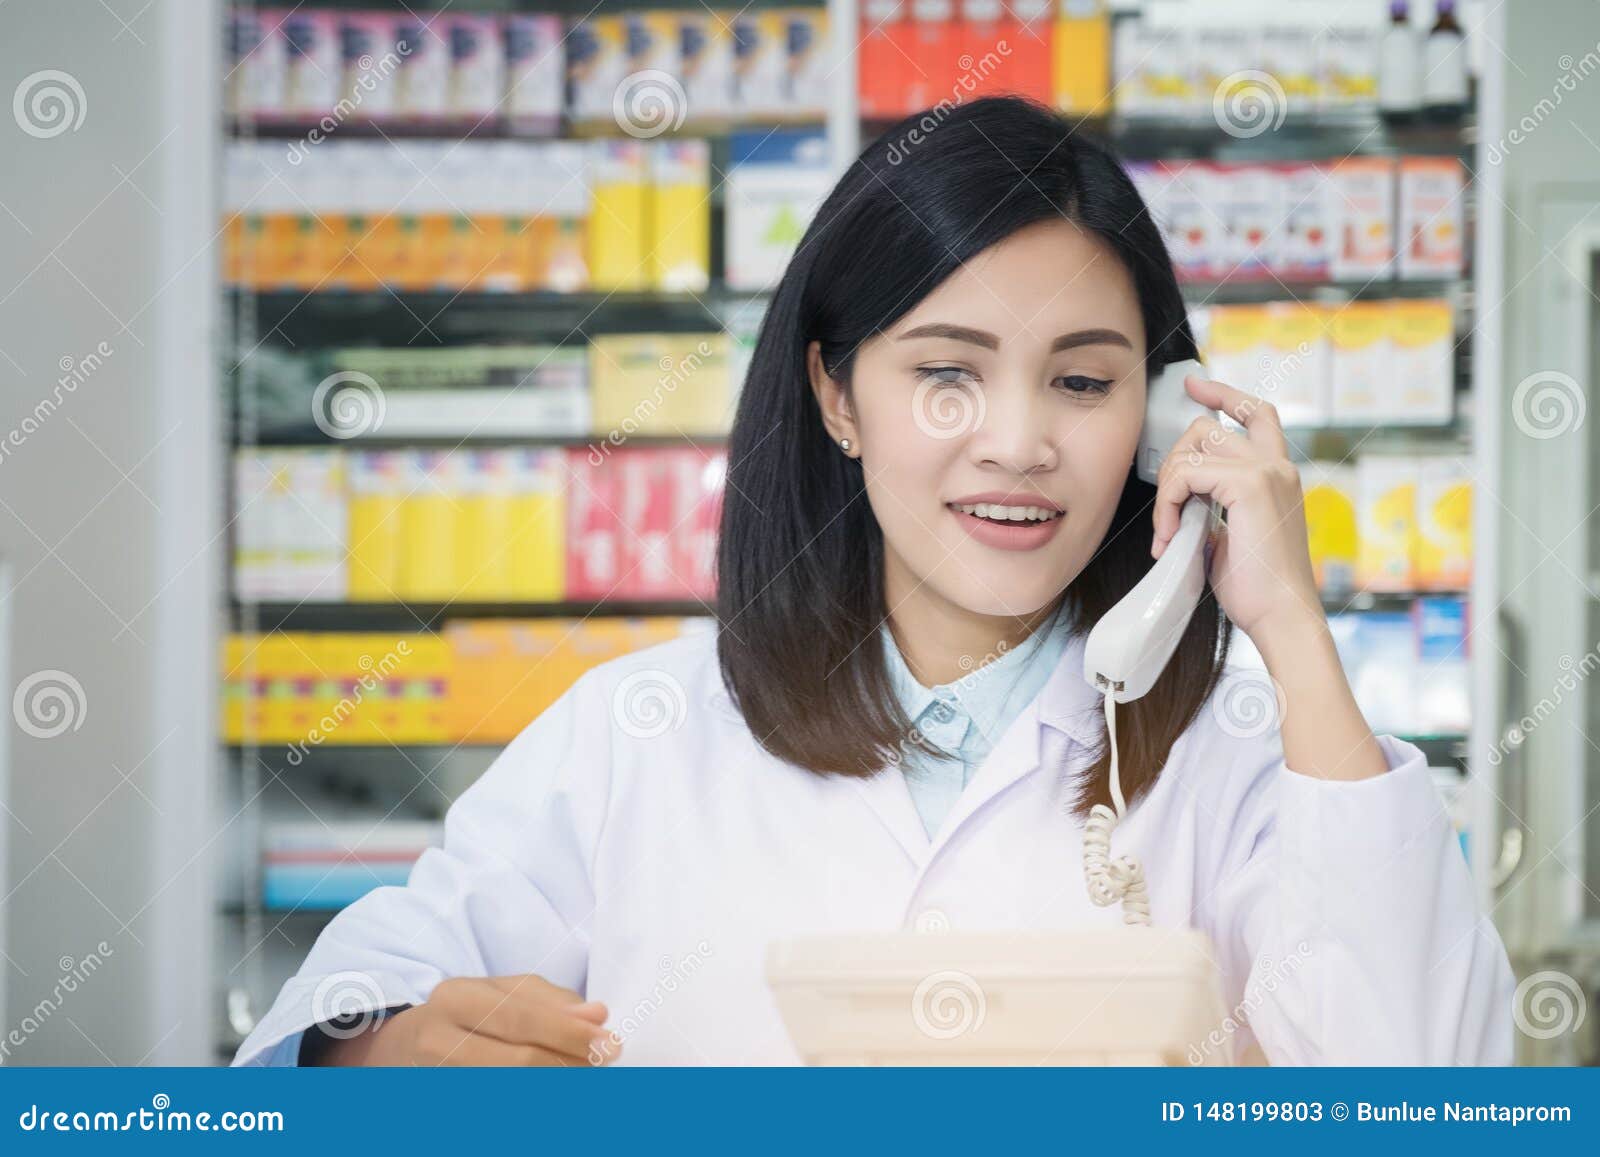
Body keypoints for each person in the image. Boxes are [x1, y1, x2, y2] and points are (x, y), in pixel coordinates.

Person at [234, 95, 1513, 1067]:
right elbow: (311, 1035)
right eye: (946, 371)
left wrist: (1289, 625)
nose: (1018, 441)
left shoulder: (1246, 759)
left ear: (1162, 414)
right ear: (837, 394)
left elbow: (1426, 1084)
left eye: (1081, 380)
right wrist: (375, 1054)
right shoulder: (638, 736)